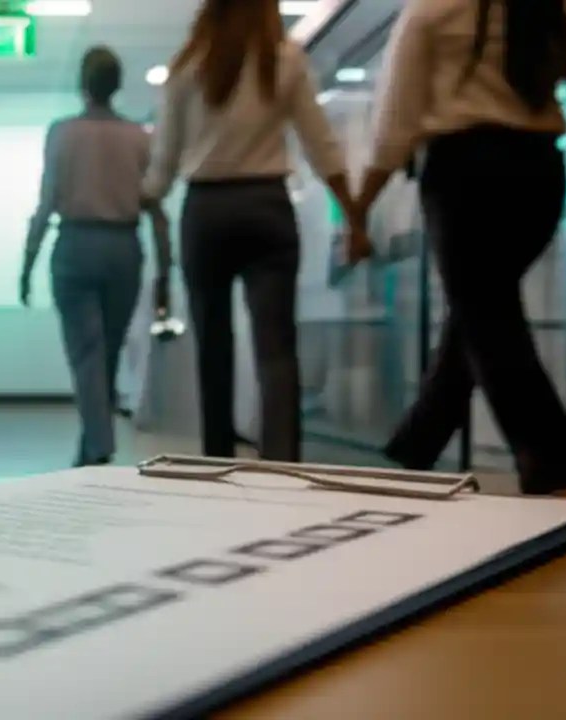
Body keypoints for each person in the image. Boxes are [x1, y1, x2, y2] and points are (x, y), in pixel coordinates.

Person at [355, 0, 566, 494]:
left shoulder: (433, 8)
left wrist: (359, 209)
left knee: (486, 315)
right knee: (481, 313)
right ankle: (412, 452)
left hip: (462, 176)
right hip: (538, 178)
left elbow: (394, 122)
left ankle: (553, 459)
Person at [142, 0, 363, 463]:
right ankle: (282, 461)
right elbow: (320, 143)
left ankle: (218, 458)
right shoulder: (283, 58)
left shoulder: (188, 65)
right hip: (267, 207)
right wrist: (354, 215)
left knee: (213, 345)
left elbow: (164, 160)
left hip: (206, 211)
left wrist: (143, 200)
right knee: (277, 347)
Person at [21, 47, 174, 468]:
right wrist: (165, 271)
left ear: (82, 83)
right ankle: (91, 446)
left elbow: (47, 201)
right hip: (124, 249)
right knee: (105, 352)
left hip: (74, 246)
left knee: (86, 350)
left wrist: (28, 262)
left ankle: (98, 444)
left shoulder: (62, 133)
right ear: (118, 84)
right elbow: (157, 212)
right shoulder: (137, 138)